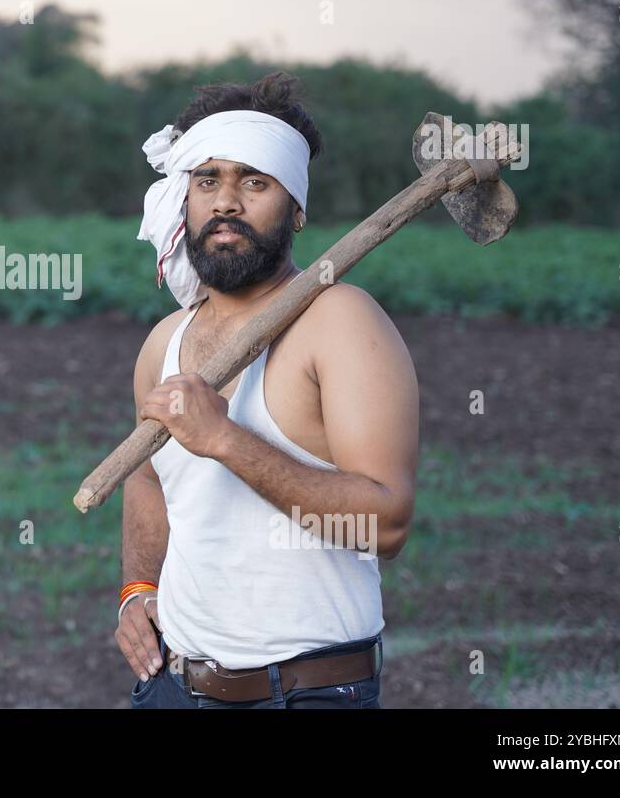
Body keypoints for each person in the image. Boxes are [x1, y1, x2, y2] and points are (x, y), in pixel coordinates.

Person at [115, 72, 419, 708]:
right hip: (173, 686)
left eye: (254, 182)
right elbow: (147, 477)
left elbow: (385, 523)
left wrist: (225, 439)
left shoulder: (341, 321)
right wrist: (138, 586)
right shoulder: (164, 342)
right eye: (208, 181)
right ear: (185, 198)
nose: (226, 201)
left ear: (297, 207)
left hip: (307, 692)